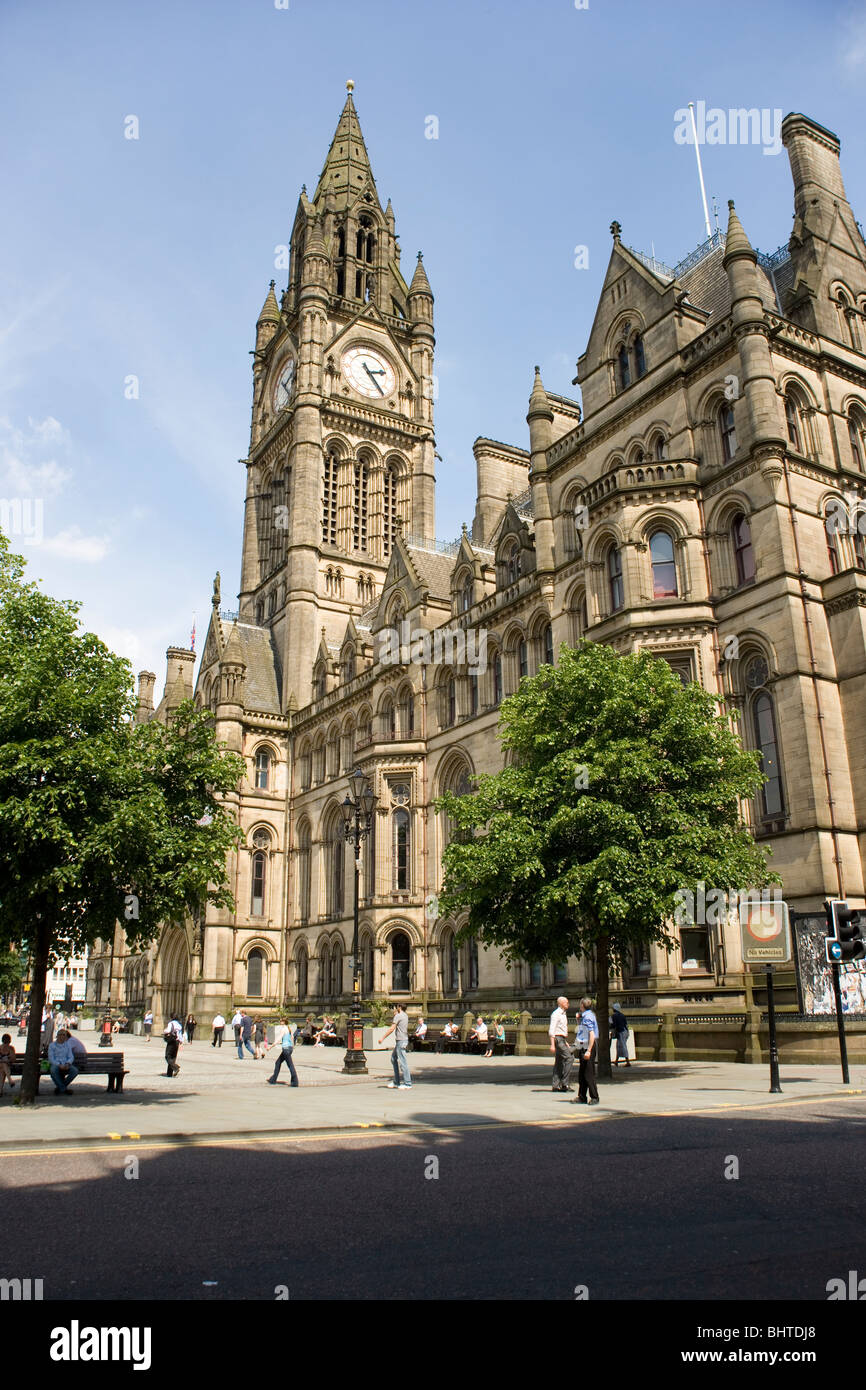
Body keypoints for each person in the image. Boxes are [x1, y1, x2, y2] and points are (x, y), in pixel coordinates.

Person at [573, 997, 600, 1105]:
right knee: (582, 1073)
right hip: (583, 1045)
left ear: (582, 1006)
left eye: (580, 1005)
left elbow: (591, 1034)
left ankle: (594, 1097)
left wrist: (589, 1050)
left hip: (588, 1046)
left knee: (589, 1073)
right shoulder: (588, 1015)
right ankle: (582, 1096)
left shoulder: (588, 1017)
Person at [381, 1002, 412, 1089]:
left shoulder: (398, 1016)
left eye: (396, 1007)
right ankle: (396, 1082)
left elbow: (392, 1028)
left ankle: (407, 1083)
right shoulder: (405, 1015)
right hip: (402, 1040)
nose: (395, 1008)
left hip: (401, 1040)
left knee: (403, 1062)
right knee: (393, 1058)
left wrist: (382, 1038)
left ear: (399, 1007)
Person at [549, 995, 574, 1092]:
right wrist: (552, 1044)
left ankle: (555, 1085)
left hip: (561, 1039)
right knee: (569, 1058)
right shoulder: (556, 1014)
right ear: (561, 1004)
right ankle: (565, 1083)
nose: (568, 1004)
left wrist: (565, 1041)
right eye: (566, 1002)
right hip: (558, 1039)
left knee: (559, 1062)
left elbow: (561, 1029)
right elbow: (552, 1030)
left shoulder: (563, 1014)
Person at [266, 1019, 299, 1087]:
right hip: (289, 1048)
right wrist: (292, 1046)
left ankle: (295, 1082)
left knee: (290, 1065)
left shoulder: (283, 1029)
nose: (280, 1022)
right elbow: (292, 1038)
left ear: (283, 1022)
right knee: (278, 1062)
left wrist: (270, 1047)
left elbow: (278, 1039)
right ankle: (273, 1079)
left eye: (281, 1021)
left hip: (286, 1049)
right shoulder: (289, 1029)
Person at [48, 1029, 79, 1094]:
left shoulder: (68, 1045)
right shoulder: (52, 1045)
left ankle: (61, 1087)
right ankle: (63, 1089)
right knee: (53, 1070)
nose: (62, 1036)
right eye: (60, 1035)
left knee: (75, 1071)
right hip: (56, 1064)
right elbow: (51, 1058)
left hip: (66, 1063)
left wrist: (68, 1063)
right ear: (57, 1036)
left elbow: (70, 1056)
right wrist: (59, 1065)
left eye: (63, 1035)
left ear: (65, 1037)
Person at [610, 1002, 631, 1067]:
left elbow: (612, 1025)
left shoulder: (614, 1016)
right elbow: (626, 1024)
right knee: (619, 1046)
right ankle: (616, 1061)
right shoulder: (622, 1015)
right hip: (625, 1031)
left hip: (621, 1032)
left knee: (622, 1046)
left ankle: (627, 1062)